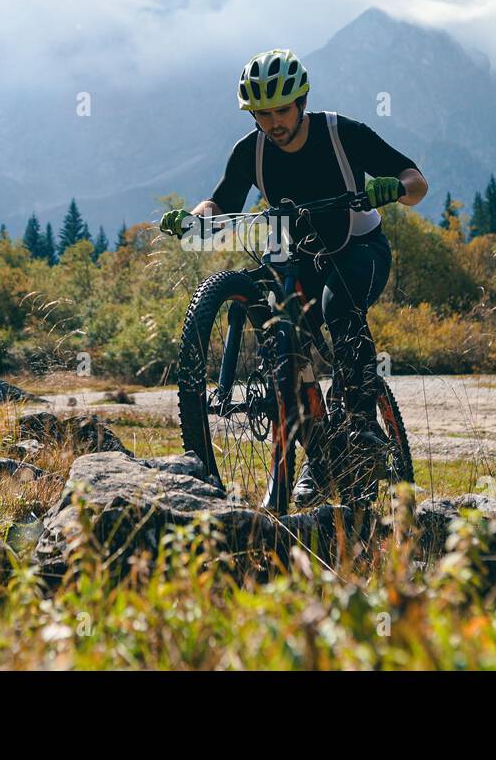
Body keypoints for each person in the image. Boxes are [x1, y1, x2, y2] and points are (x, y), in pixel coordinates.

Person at [160, 48, 428, 506]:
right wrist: (196, 218)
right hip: (295, 257)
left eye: (281, 110)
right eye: (261, 113)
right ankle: (318, 458)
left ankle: (362, 422)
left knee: (338, 306)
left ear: (301, 102)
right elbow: (221, 201)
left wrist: (394, 189)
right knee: (284, 349)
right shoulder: (251, 150)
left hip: (358, 249)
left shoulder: (343, 134)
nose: (273, 122)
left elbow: (416, 180)